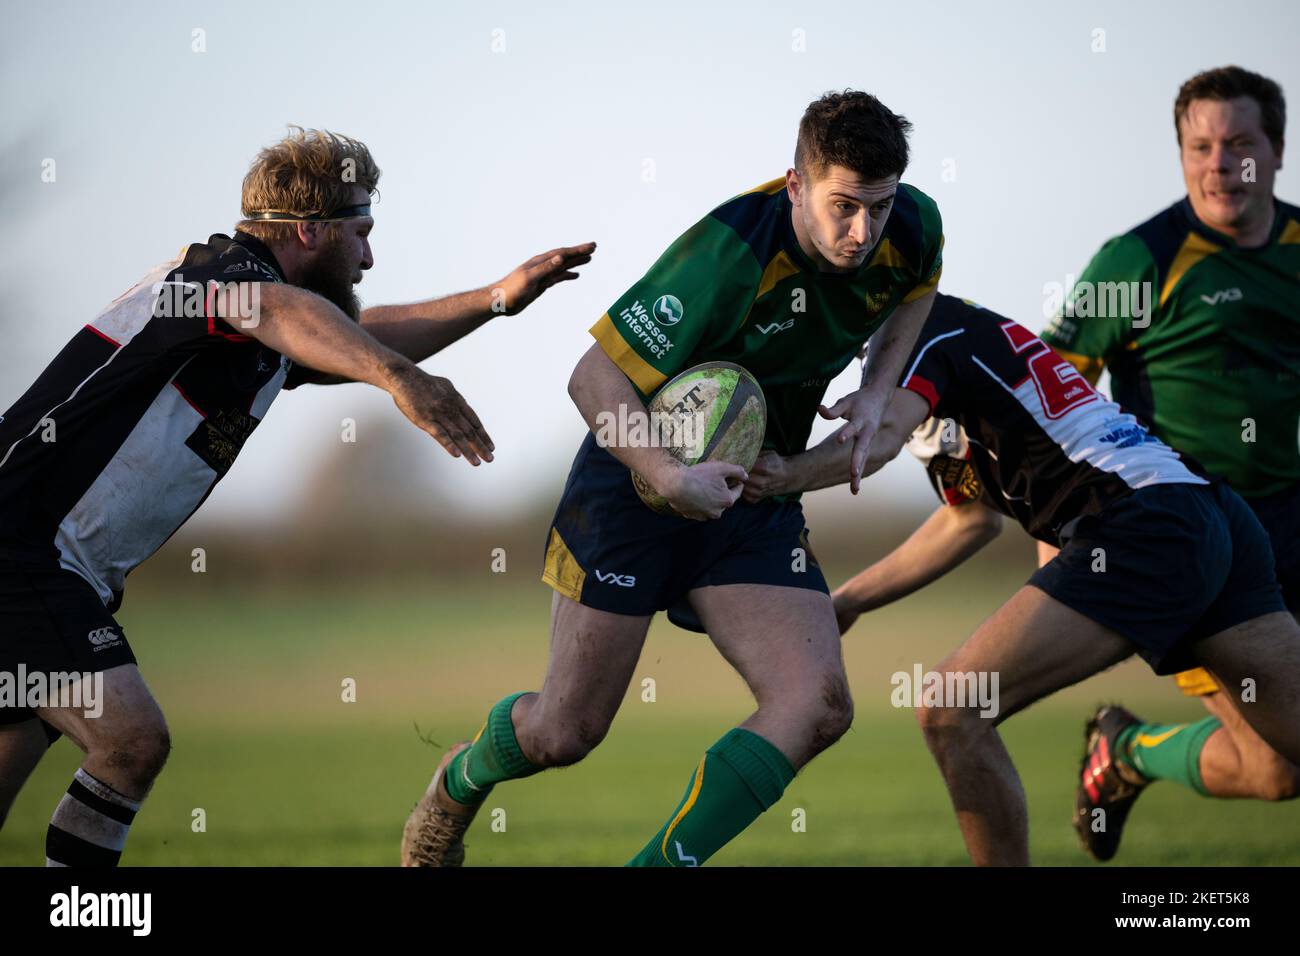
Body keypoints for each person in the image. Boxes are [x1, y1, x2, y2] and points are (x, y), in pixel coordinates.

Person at [0, 126, 594, 865]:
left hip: (59, 569)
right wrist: (398, 380)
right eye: (360, 233)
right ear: (309, 229)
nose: (369, 258)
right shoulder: (219, 277)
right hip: (22, 548)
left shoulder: (260, 327)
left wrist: (496, 299)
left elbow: (345, 332)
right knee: (131, 741)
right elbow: (286, 313)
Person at [401, 90, 943, 867]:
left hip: (755, 490)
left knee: (817, 704)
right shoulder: (726, 255)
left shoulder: (913, 225)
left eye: (879, 208)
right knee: (565, 733)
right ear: (795, 185)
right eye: (844, 208)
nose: (864, 232)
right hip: (633, 486)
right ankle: (457, 782)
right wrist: (665, 472)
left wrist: (879, 387)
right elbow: (592, 379)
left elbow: (918, 287)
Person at [744, 293, 1300, 866]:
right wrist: (848, 601)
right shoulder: (934, 363)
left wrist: (782, 475)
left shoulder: (917, 330)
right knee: (1283, 758)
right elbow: (968, 520)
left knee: (952, 707)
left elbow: (878, 440)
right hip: (1209, 513)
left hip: (1140, 525)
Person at [1040, 65, 1300, 860]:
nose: (1219, 165)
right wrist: (1057, 527)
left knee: (1281, 769)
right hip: (1198, 540)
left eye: (1239, 144)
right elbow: (1047, 398)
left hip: (1294, 521)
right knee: (1279, 769)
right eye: (1200, 147)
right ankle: (1126, 750)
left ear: (1276, 151)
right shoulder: (1139, 259)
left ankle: (1123, 750)